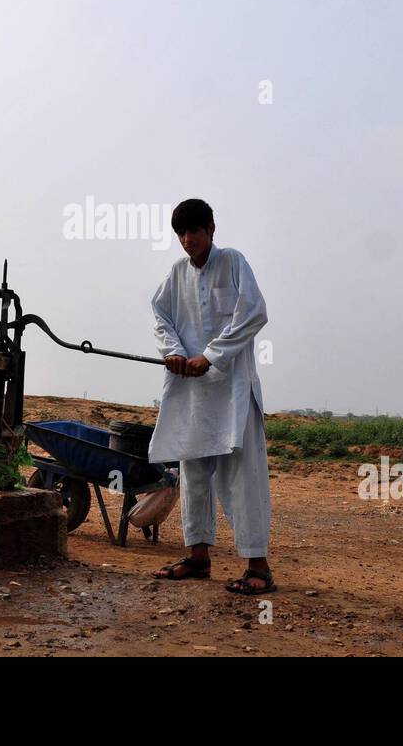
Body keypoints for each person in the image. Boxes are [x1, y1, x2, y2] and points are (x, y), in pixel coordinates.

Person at [148, 199, 276, 594]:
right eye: (182, 235)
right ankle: (198, 557)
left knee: (243, 478)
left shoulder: (233, 262)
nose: (189, 241)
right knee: (195, 475)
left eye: (195, 232)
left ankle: (258, 567)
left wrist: (212, 355)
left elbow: (253, 313)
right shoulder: (176, 274)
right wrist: (173, 351)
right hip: (192, 396)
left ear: (211, 228)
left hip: (234, 394)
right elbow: (160, 315)